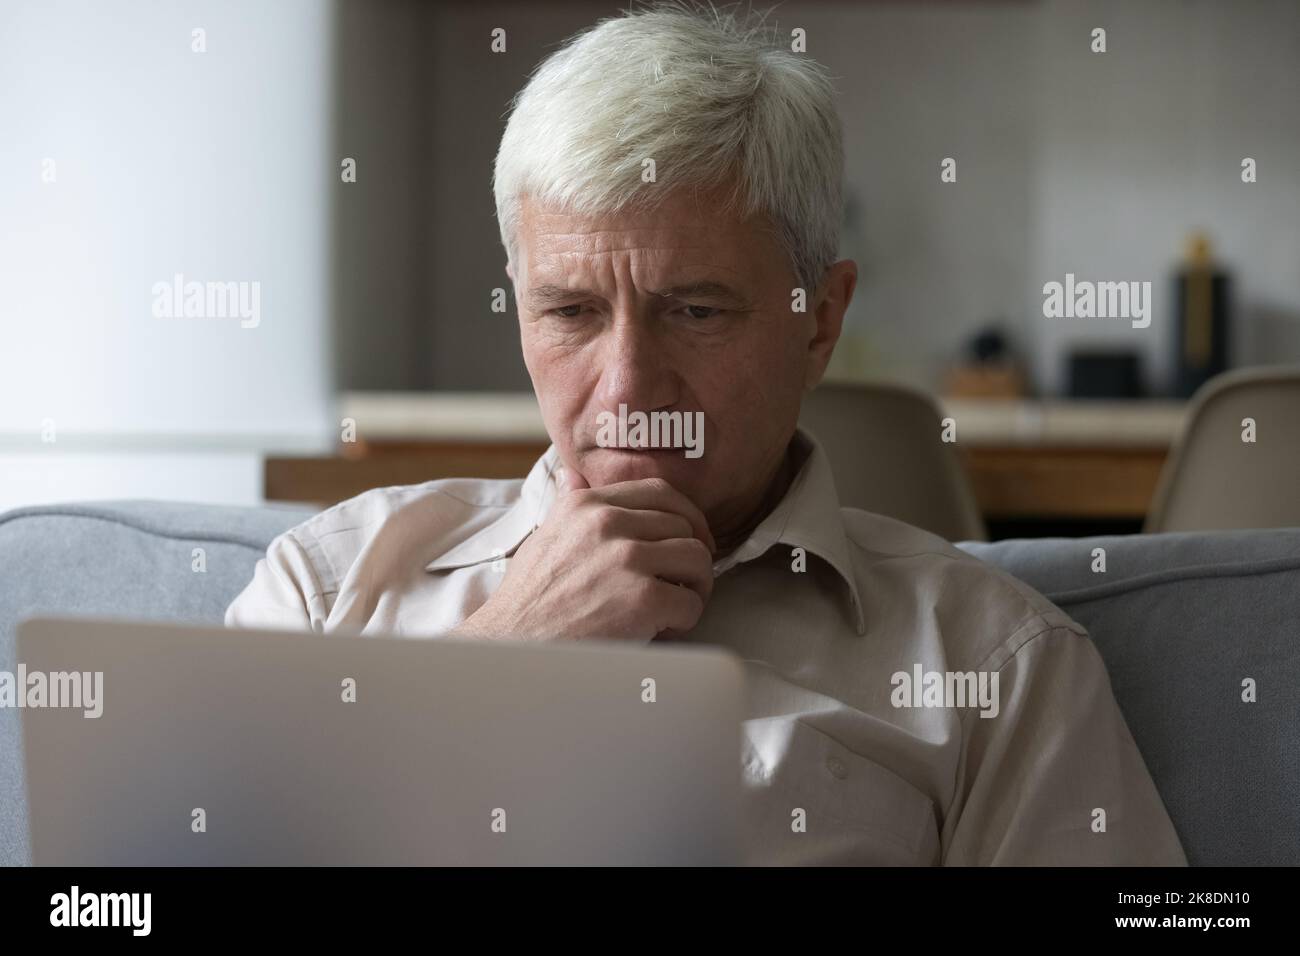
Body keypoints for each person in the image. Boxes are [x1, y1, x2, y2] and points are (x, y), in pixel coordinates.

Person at [227, 1, 1186, 865]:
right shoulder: (325, 589)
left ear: (819, 320)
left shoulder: (997, 665)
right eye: (569, 312)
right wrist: (499, 655)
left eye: (694, 311)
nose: (630, 387)